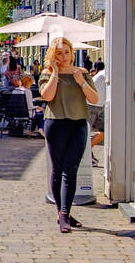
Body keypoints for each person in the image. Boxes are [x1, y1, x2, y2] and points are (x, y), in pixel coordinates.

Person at [39, 38, 99, 234]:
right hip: (55, 123)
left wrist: (81, 82)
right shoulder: (47, 73)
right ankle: (61, 212)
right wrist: (56, 73)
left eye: (66, 52)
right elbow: (47, 96)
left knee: (71, 168)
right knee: (58, 169)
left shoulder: (81, 73)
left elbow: (94, 99)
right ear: (53, 55)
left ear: (72, 53)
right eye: (58, 53)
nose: (63, 56)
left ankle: (65, 212)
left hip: (79, 124)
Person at [89, 59, 107, 165]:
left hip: (100, 106)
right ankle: (85, 155)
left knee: (106, 130)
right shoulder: (105, 74)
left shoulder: (102, 74)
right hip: (91, 105)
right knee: (86, 132)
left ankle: (88, 149)